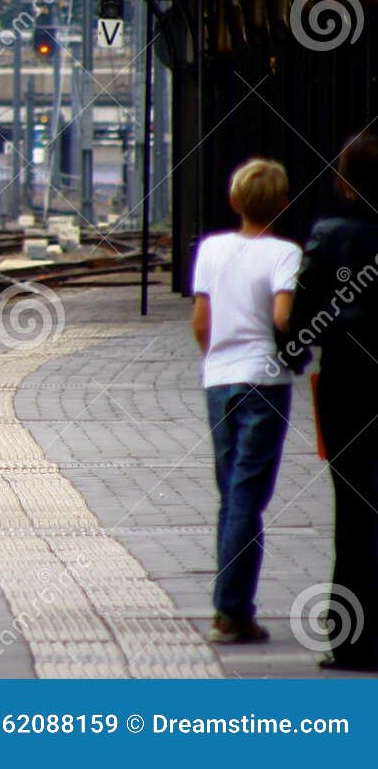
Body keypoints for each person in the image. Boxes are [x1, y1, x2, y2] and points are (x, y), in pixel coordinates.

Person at [191, 157, 300, 644]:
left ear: (233, 201)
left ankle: (231, 608)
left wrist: (217, 360)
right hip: (266, 382)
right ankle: (232, 612)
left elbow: (201, 321)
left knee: (231, 494)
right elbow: (283, 319)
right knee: (248, 496)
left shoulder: (212, 249)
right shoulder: (285, 254)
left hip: (220, 381)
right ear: (283, 204)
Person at [288, 132, 378, 671]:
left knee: (354, 510)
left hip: (347, 386)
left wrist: (291, 354)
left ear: (346, 181)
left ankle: (353, 640)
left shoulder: (329, 235)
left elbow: (301, 316)